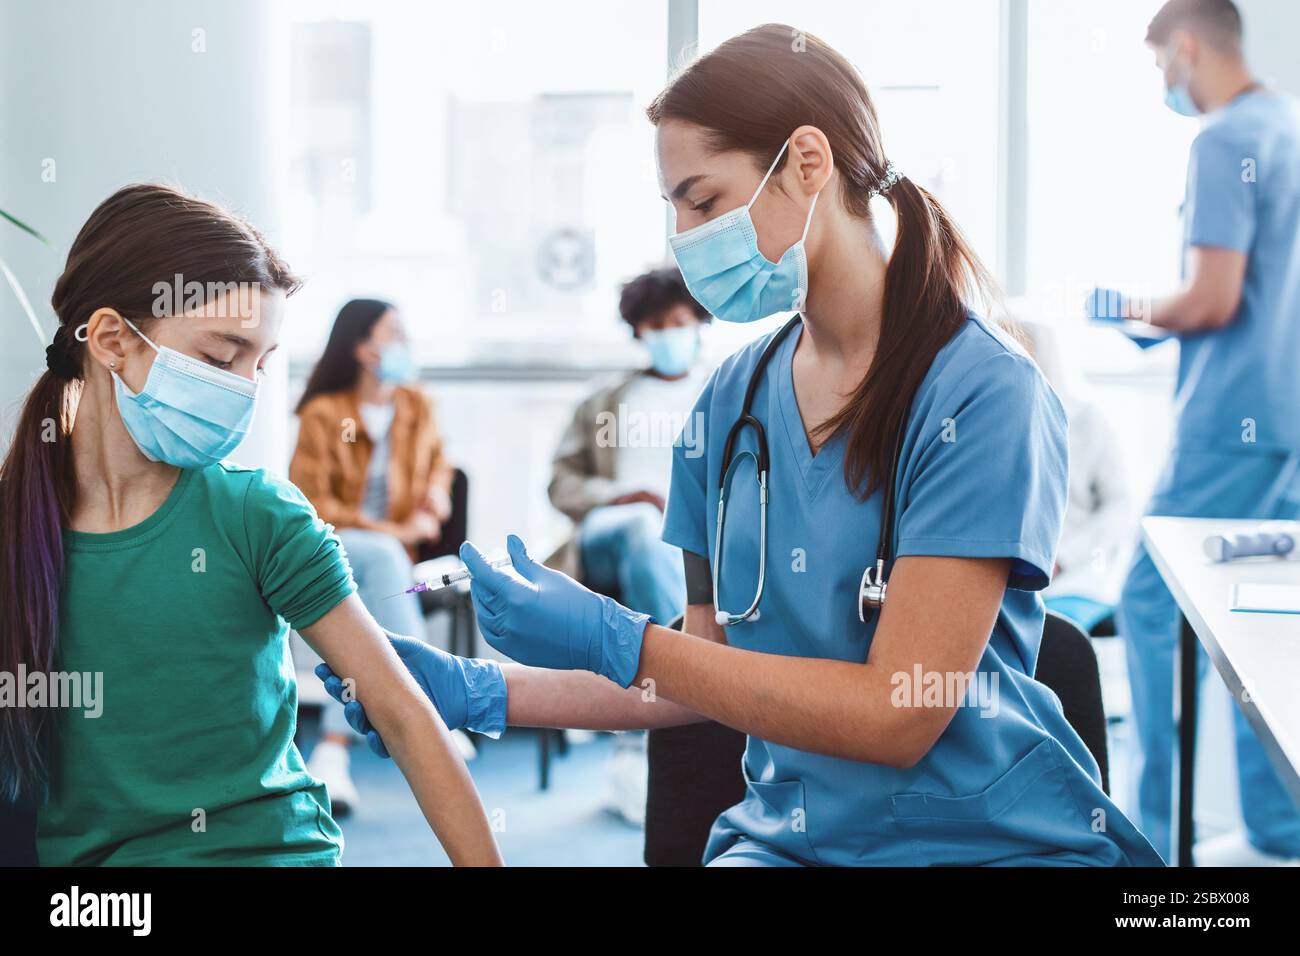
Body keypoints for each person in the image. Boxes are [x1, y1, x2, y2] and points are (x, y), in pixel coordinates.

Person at [323, 25, 1162, 866]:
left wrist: (619, 636)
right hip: (793, 843)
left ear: (807, 162)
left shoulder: (983, 394)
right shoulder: (731, 402)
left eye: (704, 200)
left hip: (986, 844)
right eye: (674, 209)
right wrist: (475, 690)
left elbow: (900, 715)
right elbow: (703, 674)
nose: (685, 239)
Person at [0, 185, 501, 866]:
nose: (245, 387)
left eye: (260, 362)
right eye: (221, 356)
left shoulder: (257, 514)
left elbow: (404, 714)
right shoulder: (17, 526)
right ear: (114, 339)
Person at [1089, 0, 1300, 864]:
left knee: (1147, 598)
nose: (1164, 85)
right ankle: (1279, 827)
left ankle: (1148, 838)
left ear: (1185, 47)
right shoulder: (1285, 125)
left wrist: (1129, 307)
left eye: (1159, 66)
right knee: (1255, 612)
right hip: (1283, 417)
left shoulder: (1222, 141)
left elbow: (1211, 297)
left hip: (1230, 423)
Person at [290, 299, 469, 813]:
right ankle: (425, 711)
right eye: (395, 333)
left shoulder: (416, 404)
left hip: (391, 561)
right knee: (379, 557)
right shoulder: (323, 413)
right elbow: (312, 504)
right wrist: (393, 530)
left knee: (372, 588)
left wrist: (437, 495)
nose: (406, 343)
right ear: (365, 348)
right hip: (334, 543)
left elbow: (441, 464)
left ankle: (333, 749)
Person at [548, 266, 710, 627]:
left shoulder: (723, 394)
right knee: (643, 524)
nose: (669, 334)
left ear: (700, 322)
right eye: (656, 326)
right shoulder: (603, 402)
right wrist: (622, 495)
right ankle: (681, 658)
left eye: (679, 322)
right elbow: (561, 485)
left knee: (682, 540)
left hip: (696, 533)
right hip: (614, 528)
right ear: (638, 331)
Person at [1019, 321, 1130, 634]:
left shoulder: (1086, 421)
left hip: (1076, 577)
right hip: (1008, 579)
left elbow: (1118, 508)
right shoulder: (983, 424)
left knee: (1054, 639)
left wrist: (1062, 559)